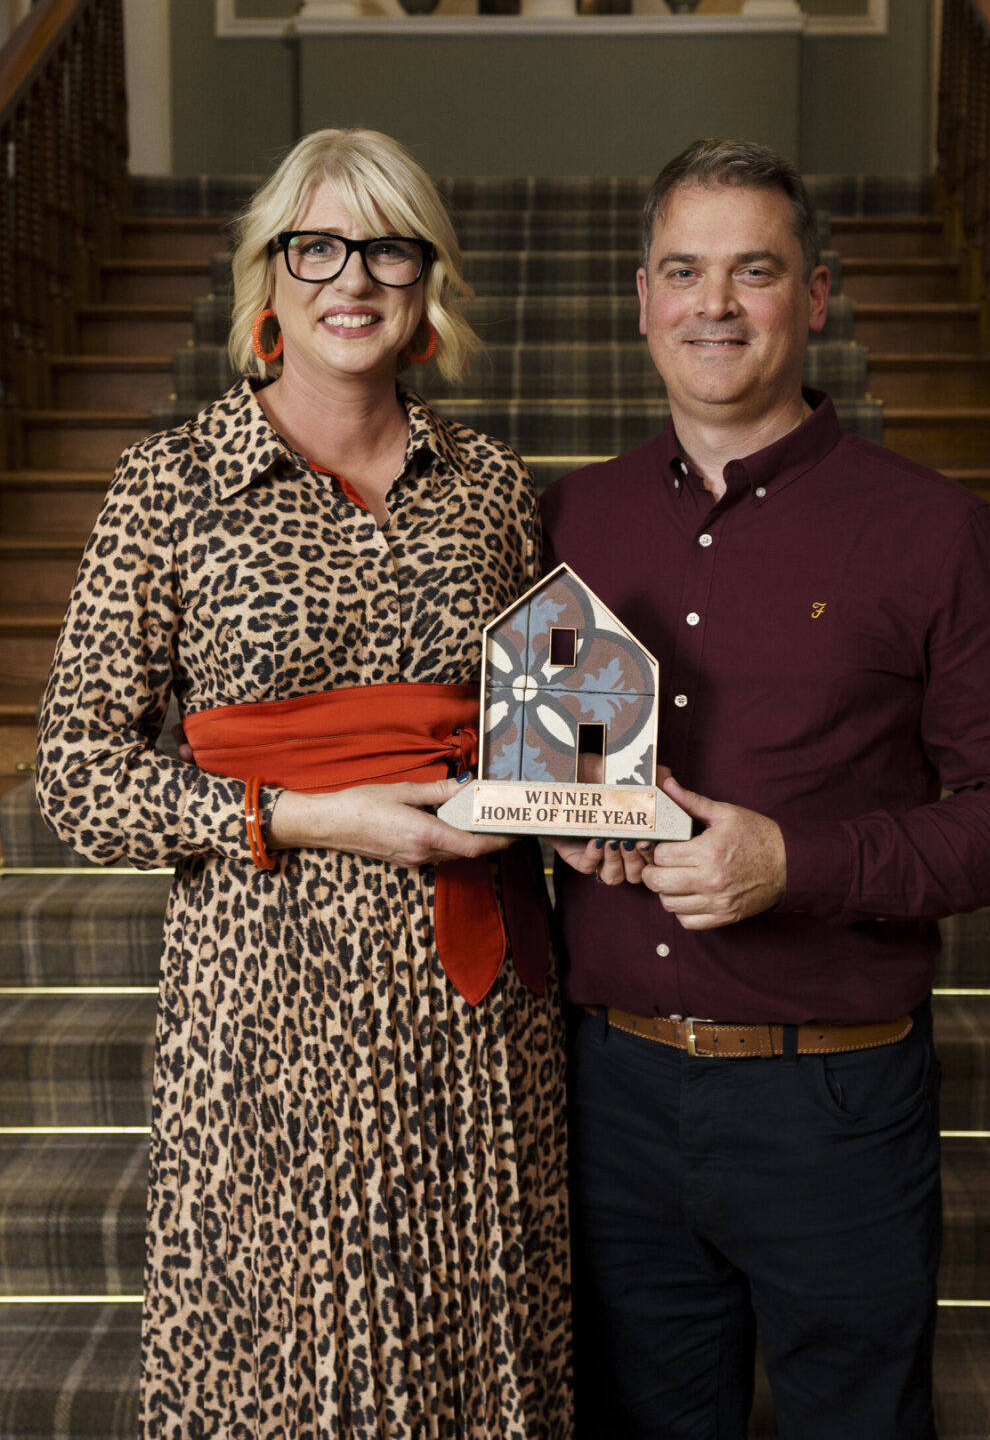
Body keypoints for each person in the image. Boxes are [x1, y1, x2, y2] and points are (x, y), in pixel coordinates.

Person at [36, 127, 571, 1439]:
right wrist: (304, 814)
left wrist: (583, 802)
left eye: (388, 247)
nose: (354, 278)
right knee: (288, 1353)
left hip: (472, 1005)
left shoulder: (494, 486)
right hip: (264, 999)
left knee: (471, 1326)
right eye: (317, 246)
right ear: (267, 276)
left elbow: (550, 729)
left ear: (426, 278)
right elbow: (77, 773)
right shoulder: (173, 482)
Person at [539, 137, 990, 1440]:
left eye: (755, 271)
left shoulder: (940, 534)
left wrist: (797, 863)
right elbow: (543, 742)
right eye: (684, 271)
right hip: (608, 1089)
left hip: (830, 1101)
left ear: (816, 296)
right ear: (643, 300)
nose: (714, 304)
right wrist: (563, 826)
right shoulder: (570, 521)